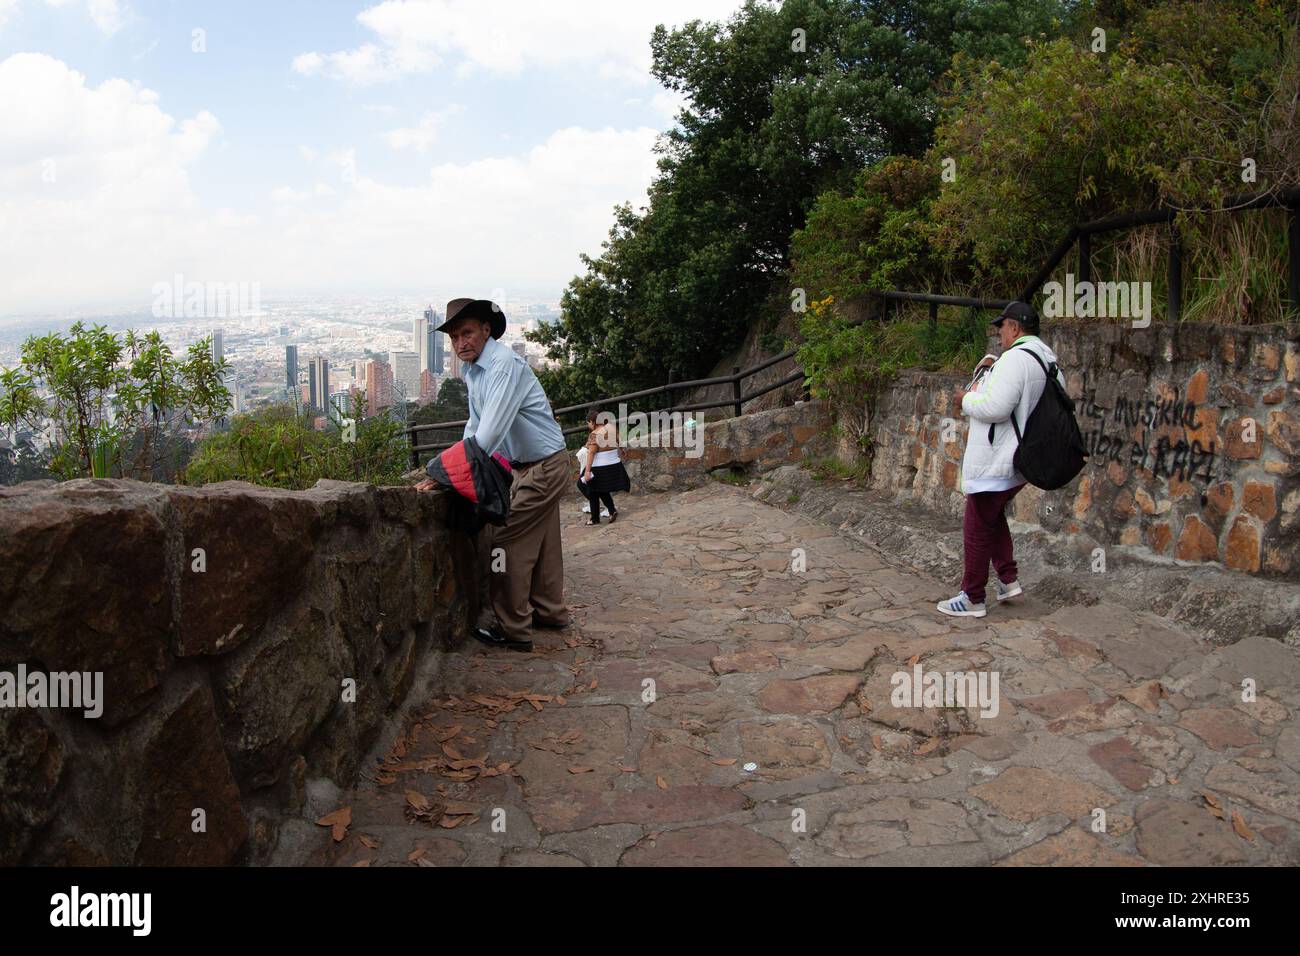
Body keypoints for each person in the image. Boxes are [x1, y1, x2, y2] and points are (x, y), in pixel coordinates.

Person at [412, 298, 570, 652]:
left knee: (506, 541)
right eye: (453, 337)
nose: (459, 343)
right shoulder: (474, 370)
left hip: (542, 466)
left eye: (466, 333)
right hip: (539, 463)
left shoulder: (501, 366)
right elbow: (474, 427)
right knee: (544, 542)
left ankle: (514, 629)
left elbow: (490, 434)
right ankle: (550, 611)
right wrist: (455, 464)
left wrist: (443, 474)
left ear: (486, 329)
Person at [937, 301, 1065, 618]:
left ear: (1015, 328)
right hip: (1024, 457)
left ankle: (973, 597)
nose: (999, 335)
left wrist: (965, 399)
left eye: (1001, 328)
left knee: (977, 523)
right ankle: (1008, 580)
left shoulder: (1016, 360)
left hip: (998, 459)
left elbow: (995, 408)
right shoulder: (1048, 359)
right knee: (992, 516)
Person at [576, 406, 630, 524]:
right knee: (598, 489)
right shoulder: (610, 427)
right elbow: (618, 439)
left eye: (588, 423)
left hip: (600, 467)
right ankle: (610, 511)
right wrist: (622, 449)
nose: (589, 426)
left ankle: (595, 518)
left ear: (592, 422)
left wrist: (587, 471)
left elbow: (591, 452)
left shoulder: (595, 434)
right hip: (614, 465)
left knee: (584, 484)